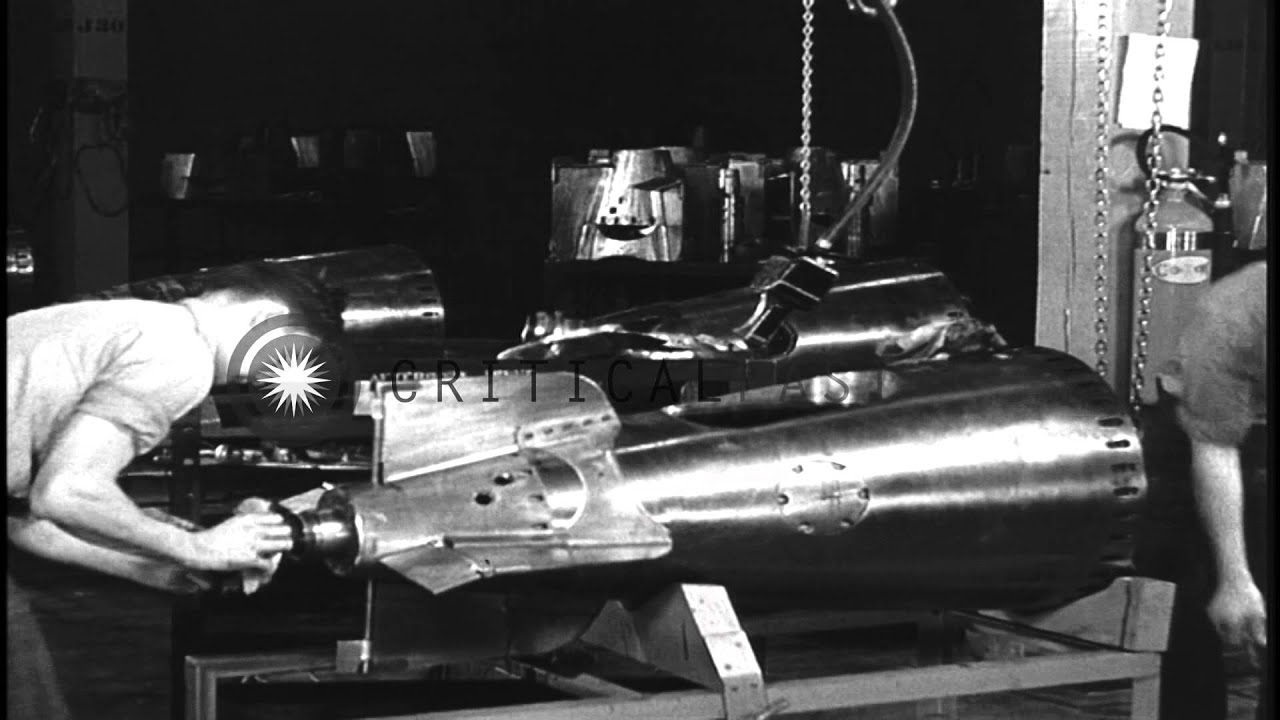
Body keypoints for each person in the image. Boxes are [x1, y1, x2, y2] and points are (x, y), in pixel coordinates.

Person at [6, 261, 345, 719]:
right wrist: (195, 546)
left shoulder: (134, 322)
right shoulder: (182, 356)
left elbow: (24, 520)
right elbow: (65, 490)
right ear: (263, 321)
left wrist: (151, 566)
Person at [1146, 260, 1269, 720]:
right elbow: (1214, 448)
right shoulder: (1234, 314)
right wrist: (1235, 580)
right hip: (1198, 445)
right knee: (1190, 616)